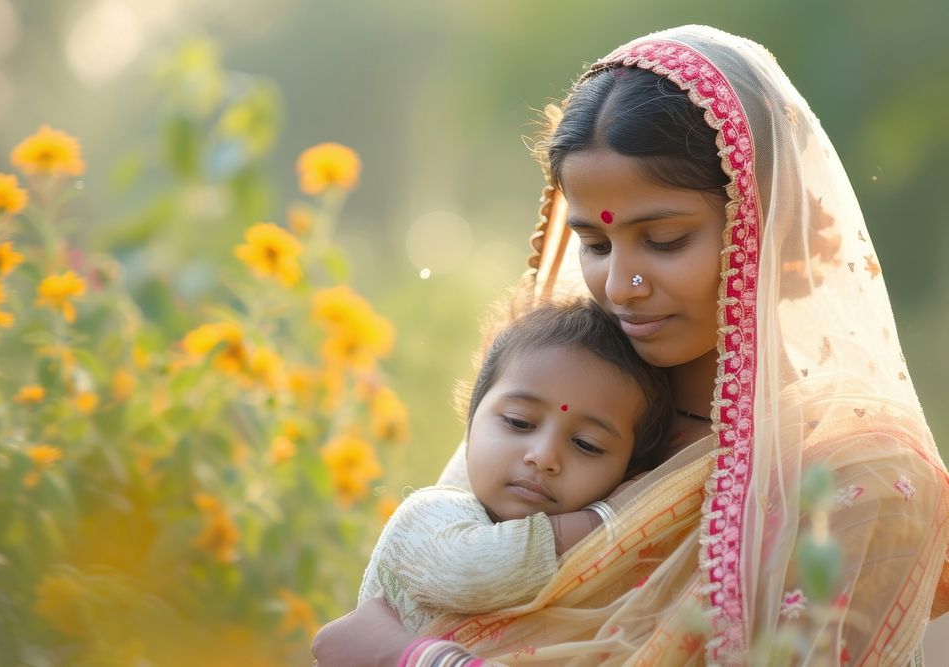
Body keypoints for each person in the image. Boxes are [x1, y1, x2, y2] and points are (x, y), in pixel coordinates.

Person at [314, 25, 949, 666]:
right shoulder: (572, 399)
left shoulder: (855, 476)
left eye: (664, 241)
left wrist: (410, 659)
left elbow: (384, 639)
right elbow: (422, 585)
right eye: (595, 244)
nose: (620, 286)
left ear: (769, 227)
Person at [357, 299, 673, 634]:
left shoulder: (592, 574)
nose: (543, 456)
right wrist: (607, 519)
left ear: (627, 474)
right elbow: (470, 570)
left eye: (586, 444)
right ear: (471, 426)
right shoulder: (428, 516)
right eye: (519, 422)